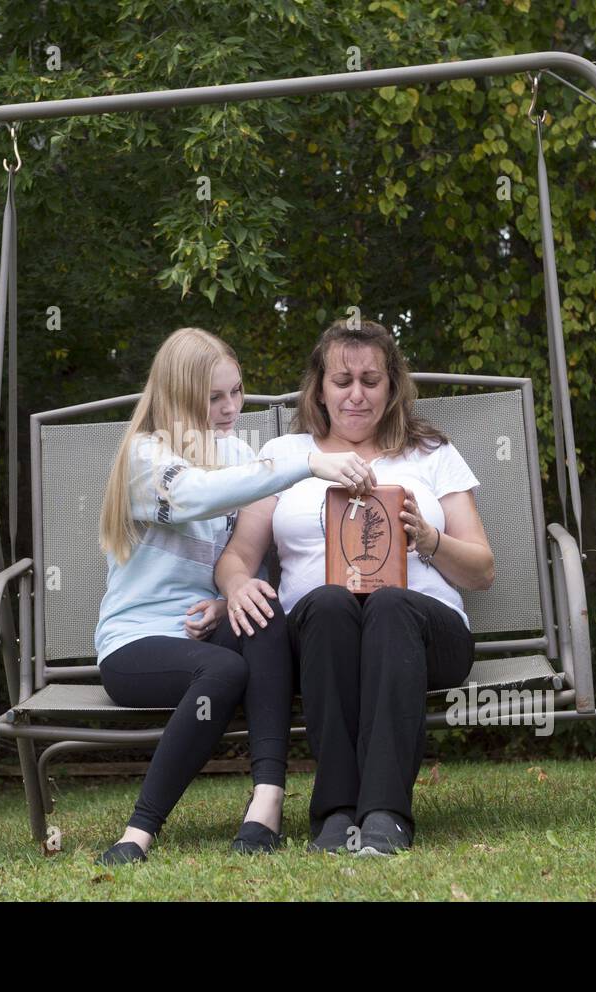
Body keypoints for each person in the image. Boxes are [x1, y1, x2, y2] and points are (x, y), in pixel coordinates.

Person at [93, 327, 374, 864]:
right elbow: (198, 494)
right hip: (138, 642)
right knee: (222, 673)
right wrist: (307, 463)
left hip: (206, 632)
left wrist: (229, 597)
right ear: (179, 395)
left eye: (237, 392)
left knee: (260, 606)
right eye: (215, 397)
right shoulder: (143, 457)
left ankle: (266, 803)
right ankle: (139, 832)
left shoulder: (240, 451)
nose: (230, 408)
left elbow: (237, 561)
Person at [215, 318, 495, 856]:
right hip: (317, 638)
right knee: (328, 602)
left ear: (392, 387)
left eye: (371, 380)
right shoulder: (286, 453)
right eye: (342, 381)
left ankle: (386, 813)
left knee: (390, 604)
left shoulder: (431, 452)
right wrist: (235, 588)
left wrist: (430, 538)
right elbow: (238, 558)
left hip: (423, 631)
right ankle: (338, 811)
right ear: (319, 387)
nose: (357, 395)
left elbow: (481, 570)